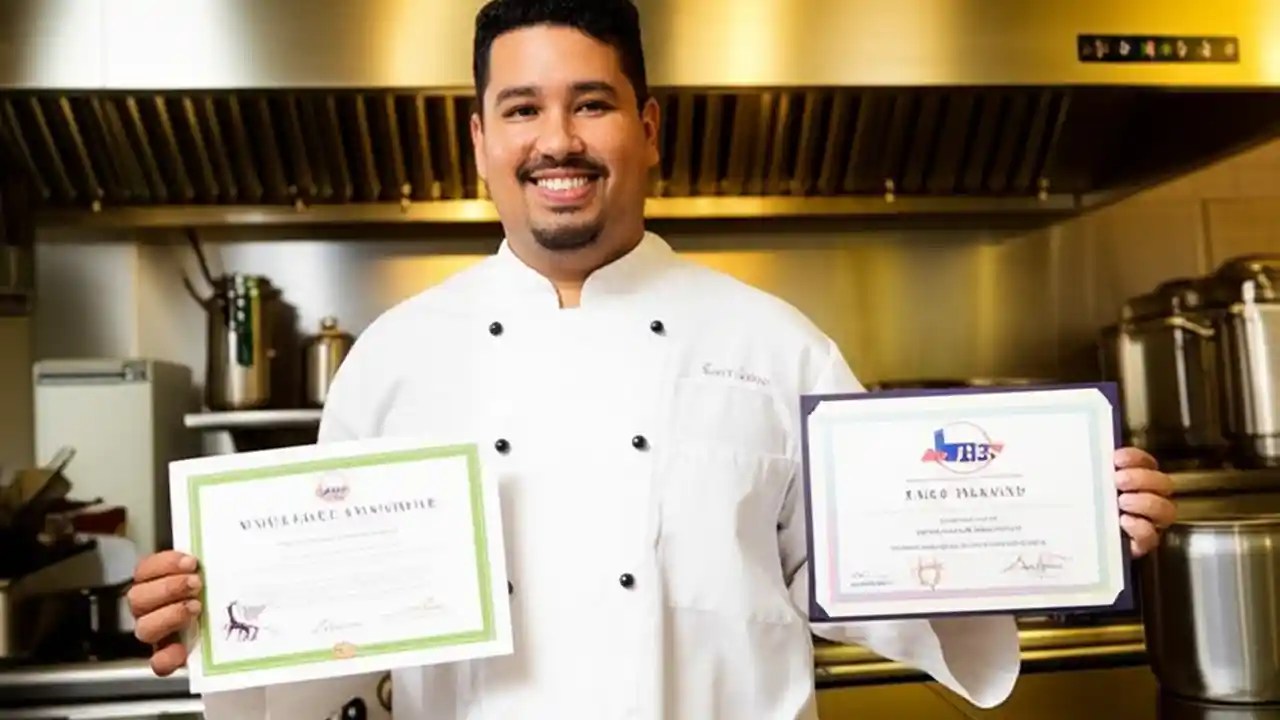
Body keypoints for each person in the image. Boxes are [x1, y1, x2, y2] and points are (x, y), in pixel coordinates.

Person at [126, 1, 1178, 717]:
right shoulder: (393, 364)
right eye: (522, 108)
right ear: (480, 137)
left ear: (647, 125)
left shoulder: (774, 345)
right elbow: (328, 649)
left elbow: (893, 575)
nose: (558, 140)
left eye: (590, 102)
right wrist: (216, 612)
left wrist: (1064, 531)